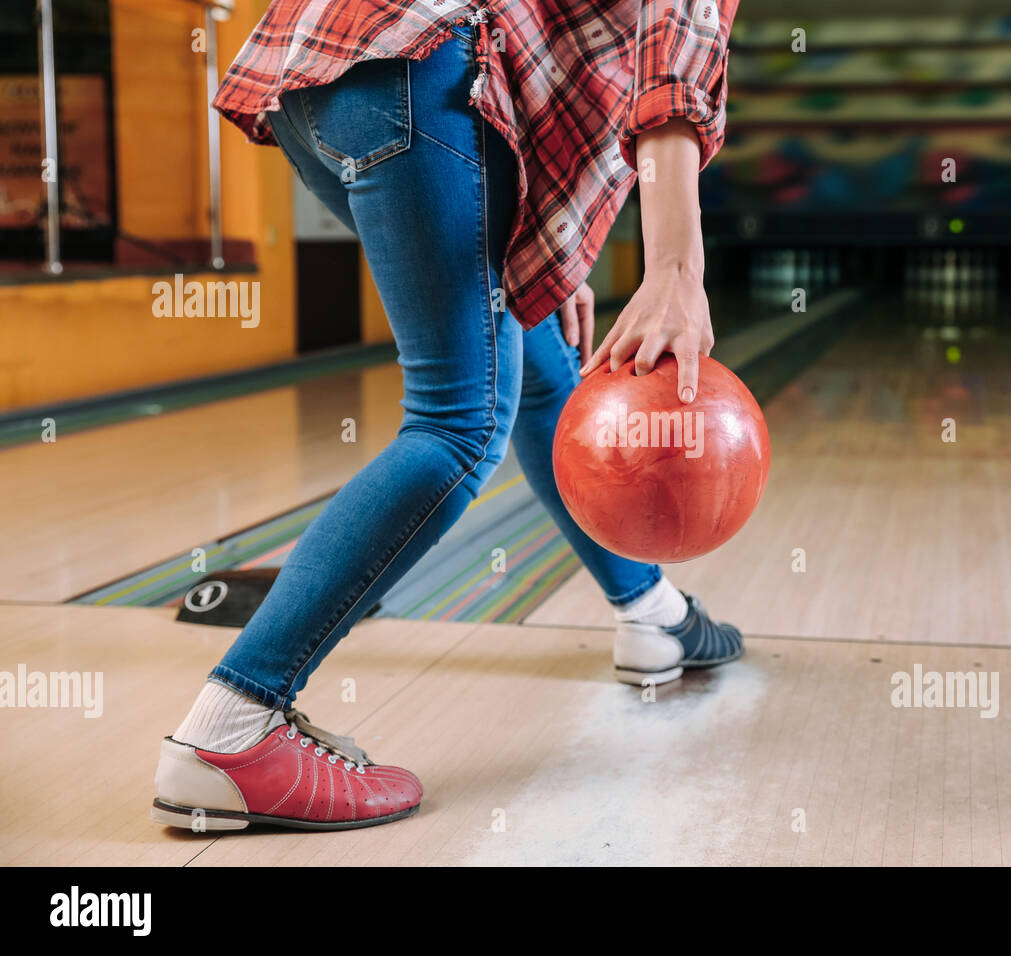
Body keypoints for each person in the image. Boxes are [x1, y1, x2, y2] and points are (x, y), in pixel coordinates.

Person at [152, 0, 743, 832]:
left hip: (323, 74)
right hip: (425, 73)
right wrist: (677, 265)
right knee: (457, 422)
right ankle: (230, 731)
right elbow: (673, 47)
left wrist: (541, 233)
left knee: (539, 372)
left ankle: (650, 615)